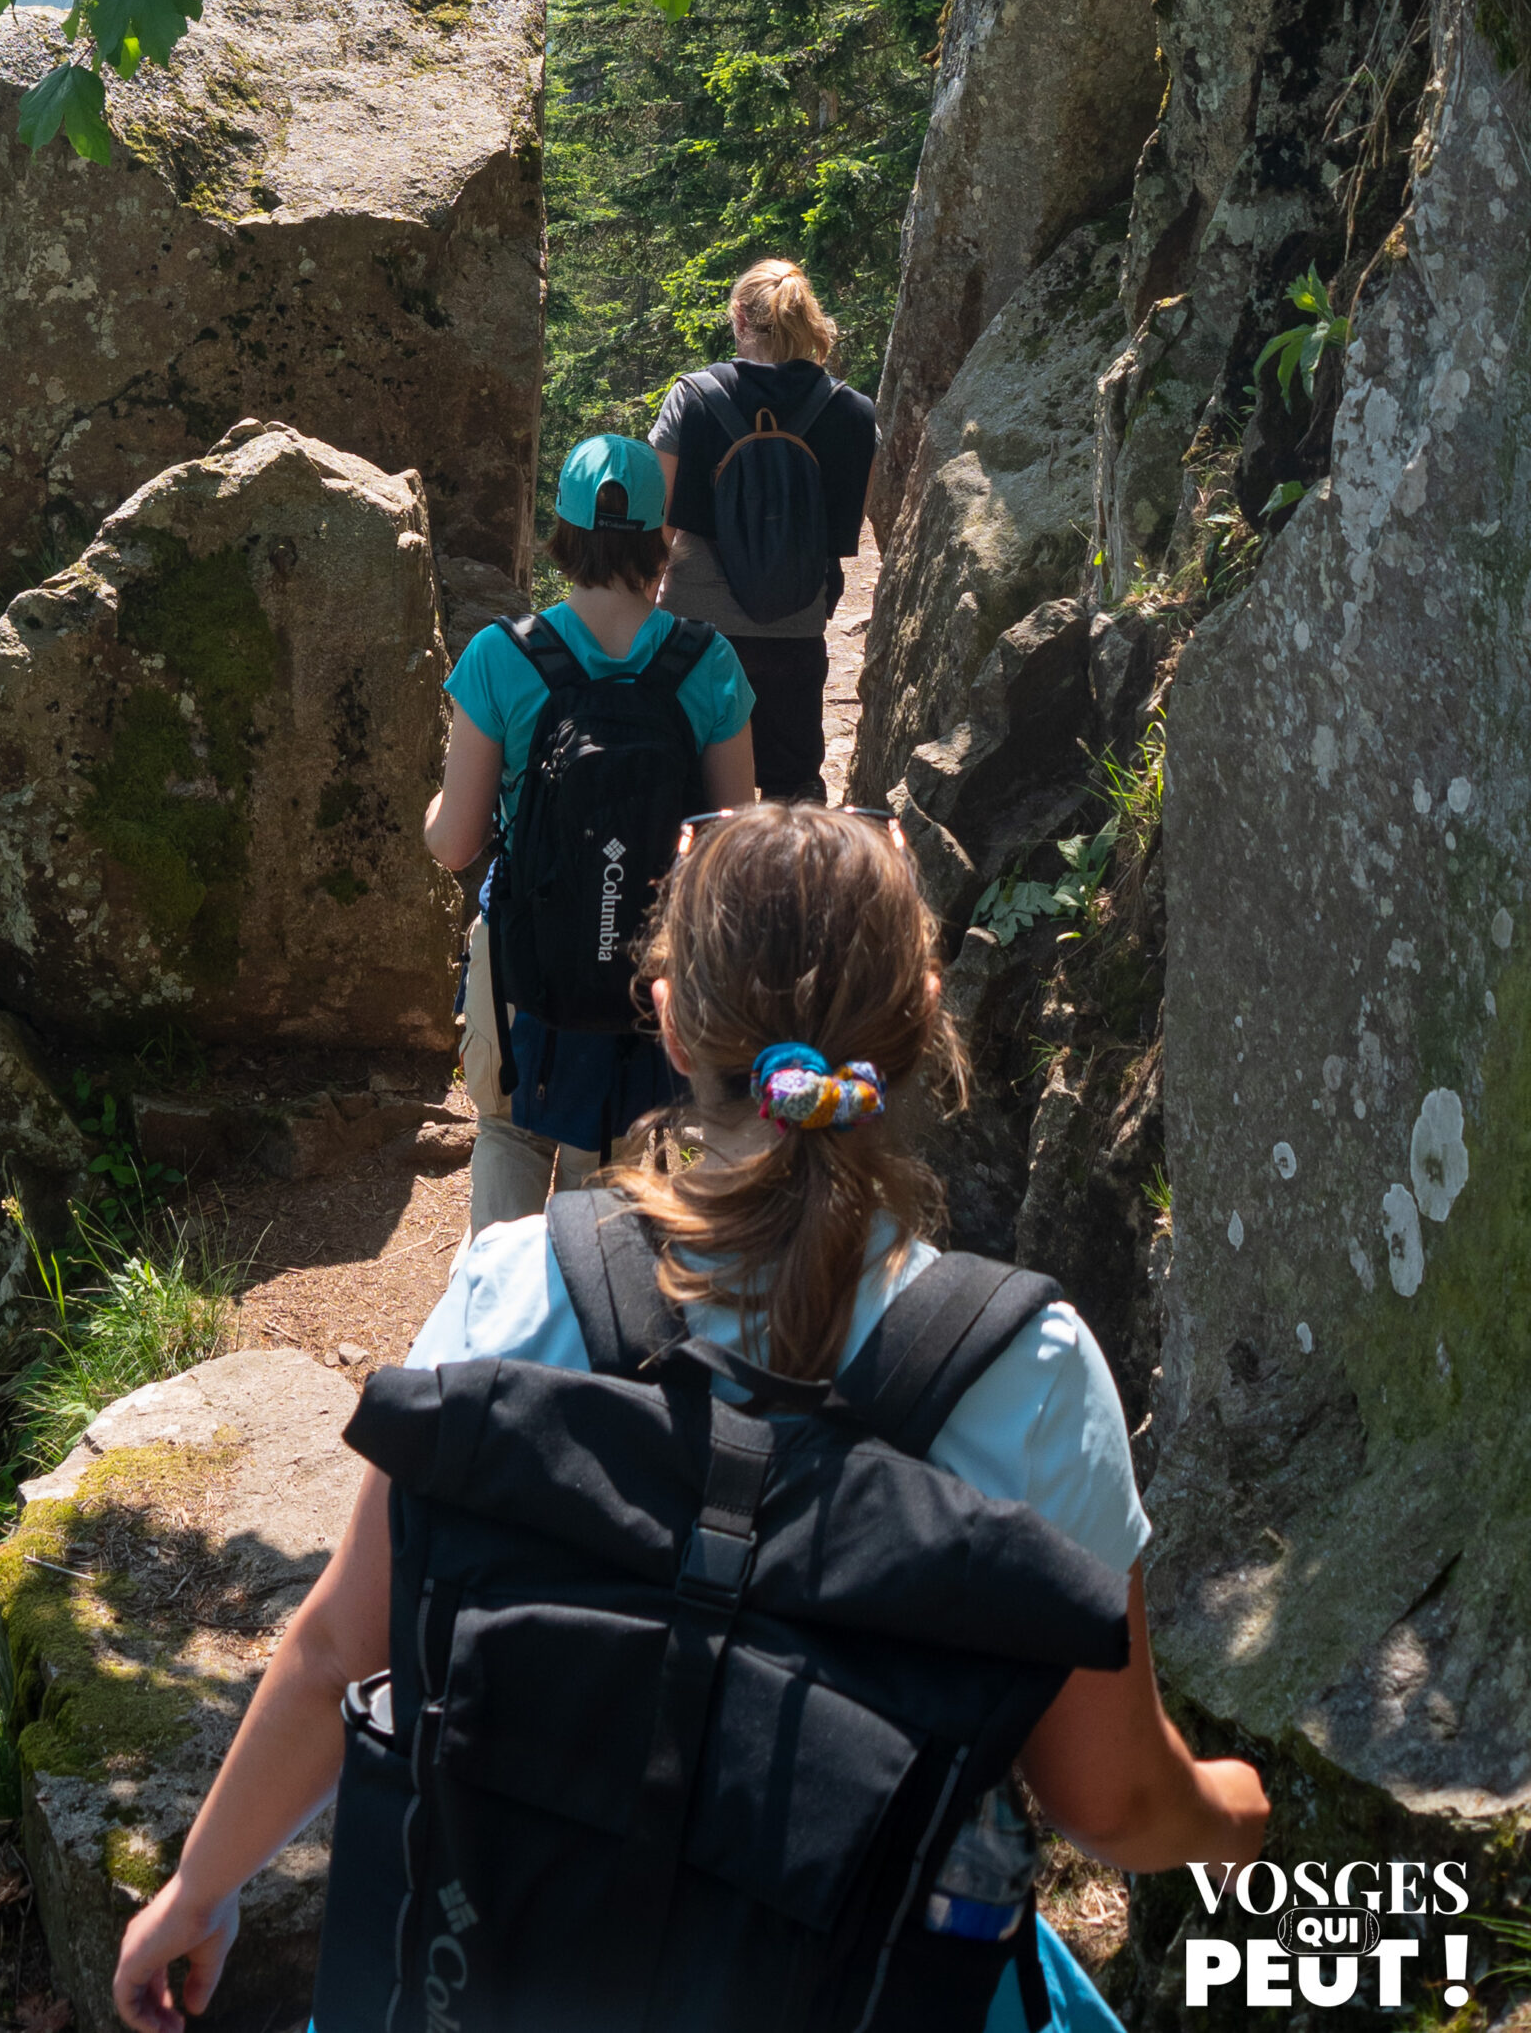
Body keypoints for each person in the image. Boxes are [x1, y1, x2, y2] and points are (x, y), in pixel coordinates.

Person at [111, 806, 1268, 2033]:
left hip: (521, 1951)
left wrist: (200, 1887)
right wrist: (1236, 1811)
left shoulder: (519, 1286)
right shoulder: (1028, 1374)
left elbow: (346, 1644)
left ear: (663, 1013)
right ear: (927, 1015)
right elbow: (1113, 1806)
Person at [424, 429, 755, 1237]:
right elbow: (732, 847)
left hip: (522, 962)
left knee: (507, 1132)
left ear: (563, 533)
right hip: (645, 975)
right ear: (661, 536)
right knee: (611, 1167)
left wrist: (432, 809)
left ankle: (489, 1335)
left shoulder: (502, 657)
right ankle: (591, 1341)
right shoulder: (704, 663)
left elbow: (455, 844)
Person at [651, 257, 879, 800]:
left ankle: (693, 886)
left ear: (739, 318)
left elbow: (655, 525)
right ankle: (793, 884)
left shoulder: (693, 396)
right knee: (792, 787)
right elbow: (844, 524)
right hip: (794, 627)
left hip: (694, 627)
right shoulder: (854, 412)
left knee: (687, 785)